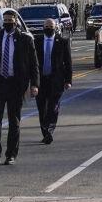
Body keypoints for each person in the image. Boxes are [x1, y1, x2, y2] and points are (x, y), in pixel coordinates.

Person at [0, 10, 38, 166]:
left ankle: (11, 154)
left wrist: (34, 85)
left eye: (10, 20)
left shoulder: (25, 40)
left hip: (15, 85)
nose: (7, 23)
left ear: (16, 21)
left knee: (14, 121)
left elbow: (33, 64)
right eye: (5, 20)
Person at [36, 16, 74, 144]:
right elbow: (32, 63)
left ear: (55, 28)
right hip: (41, 80)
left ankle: (50, 130)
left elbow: (68, 63)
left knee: (53, 107)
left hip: (56, 80)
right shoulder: (37, 41)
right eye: (46, 27)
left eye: (51, 27)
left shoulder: (62, 42)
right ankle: (45, 131)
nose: (48, 29)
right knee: (42, 108)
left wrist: (68, 80)